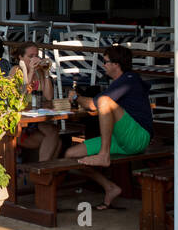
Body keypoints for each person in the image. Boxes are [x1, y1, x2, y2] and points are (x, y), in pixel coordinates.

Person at [63, 45, 155, 209]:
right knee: (71, 154)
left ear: (116, 64)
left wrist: (76, 97)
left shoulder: (128, 80)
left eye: (106, 62)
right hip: (120, 138)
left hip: (138, 136)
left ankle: (103, 155)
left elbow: (93, 105)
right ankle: (109, 187)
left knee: (104, 102)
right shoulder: (120, 82)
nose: (103, 65)